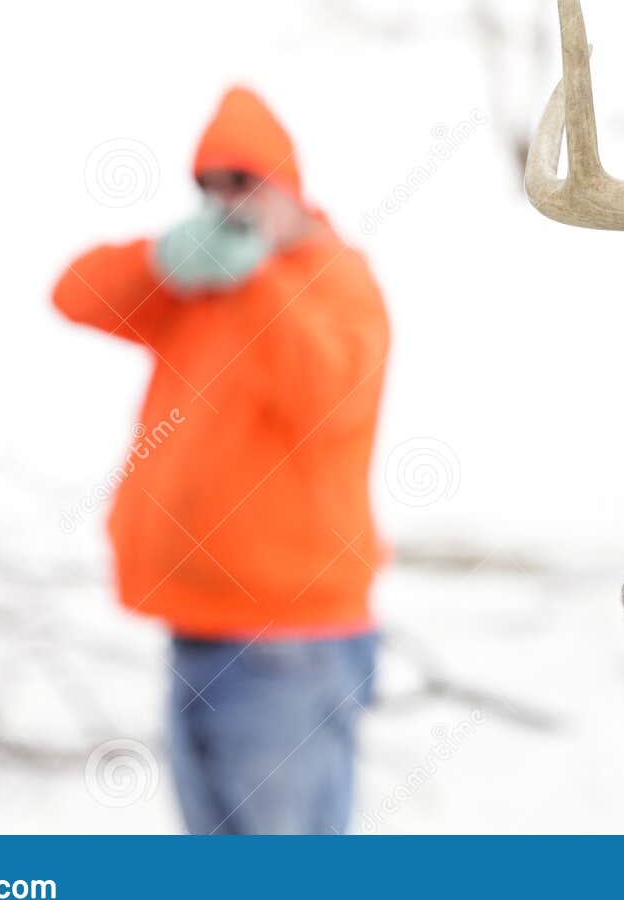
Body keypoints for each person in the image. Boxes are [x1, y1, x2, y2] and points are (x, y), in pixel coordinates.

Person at [52, 86, 389, 834]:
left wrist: (259, 280)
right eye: (210, 186)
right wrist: (161, 258)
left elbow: (329, 400)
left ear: (287, 187)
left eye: (245, 182)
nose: (227, 203)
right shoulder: (197, 284)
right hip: (198, 618)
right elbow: (73, 292)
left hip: (290, 636)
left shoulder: (333, 278)